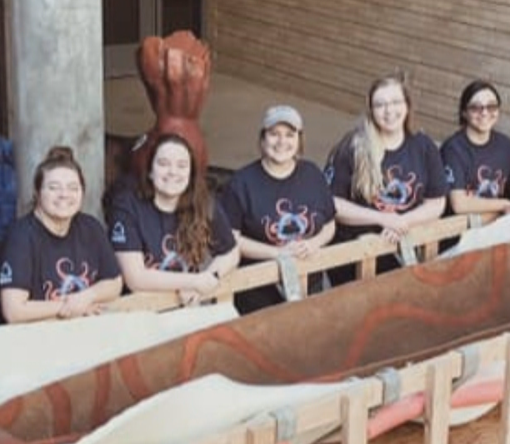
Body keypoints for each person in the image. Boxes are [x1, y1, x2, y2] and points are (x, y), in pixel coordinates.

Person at [325, 72, 448, 284]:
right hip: (355, 257)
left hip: (402, 249)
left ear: (407, 105)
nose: (389, 111)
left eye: (395, 102)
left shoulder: (423, 146)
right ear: (371, 110)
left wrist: (402, 222)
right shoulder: (353, 146)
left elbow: (437, 202)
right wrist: (383, 219)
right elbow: (333, 204)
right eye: (380, 104)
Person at [221, 105, 336, 313]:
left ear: (299, 140)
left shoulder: (312, 175)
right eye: (274, 134)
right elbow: (230, 239)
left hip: (309, 288)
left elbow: (330, 224)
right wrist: (277, 253)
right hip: (257, 295)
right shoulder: (241, 184)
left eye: (290, 135)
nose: (282, 142)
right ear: (262, 139)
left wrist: (314, 243)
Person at [0, 146, 123, 324]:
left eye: (73, 188)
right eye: (54, 188)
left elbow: (115, 282)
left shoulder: (91, 228)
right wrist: (73, 306)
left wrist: (86, 296)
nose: (64, 195)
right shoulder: (20, 237)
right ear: (37, 192)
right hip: (28, 339)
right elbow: (14, 310)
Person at [110, 134, 239, 306]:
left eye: (182, 165)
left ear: (191, 173)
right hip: (140, 312)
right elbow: (135, 278)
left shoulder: (203, 203)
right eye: (163, 164)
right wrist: (193, 282)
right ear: (149, 171)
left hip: (184, 311)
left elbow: (230, 252)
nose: (172, 172)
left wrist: (210, 277)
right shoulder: (127, 206)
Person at [441, 79, 510, 221]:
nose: (484, 113)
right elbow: (459, 204)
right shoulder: (453, 149)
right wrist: (504, 204)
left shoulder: (504, 145)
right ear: (464, 112)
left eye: (491, 107)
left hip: (494, 229)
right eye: (475, 108)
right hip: (461, 235)